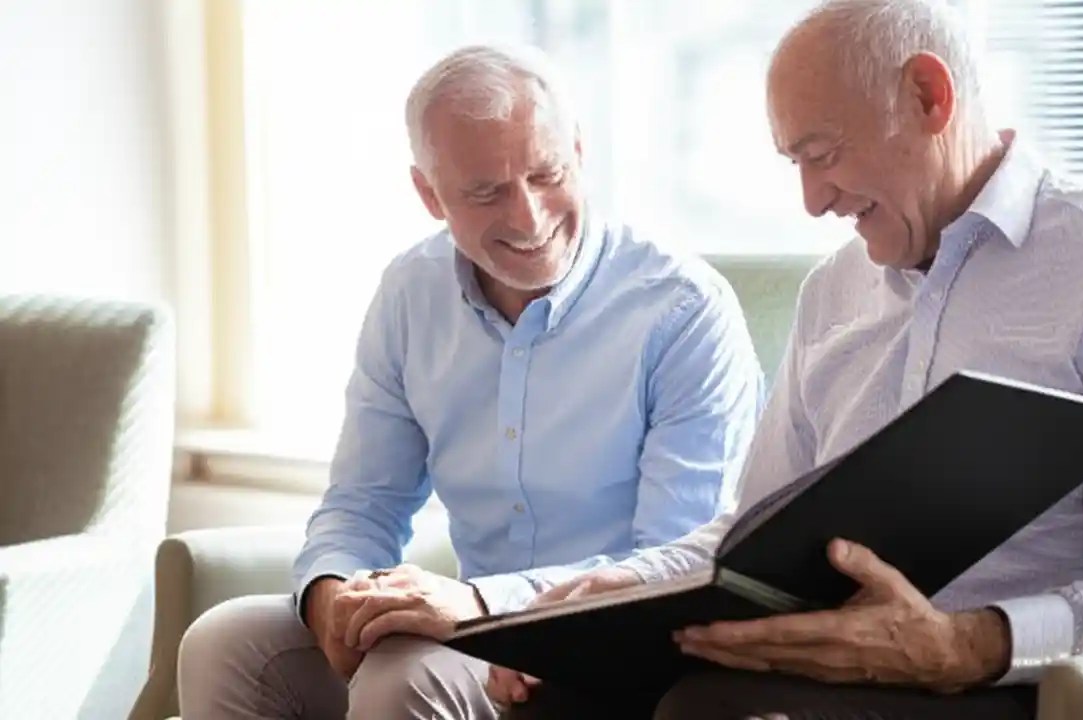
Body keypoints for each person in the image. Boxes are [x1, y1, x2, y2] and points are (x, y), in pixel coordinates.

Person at [488, 1, 1083, 718]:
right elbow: (754, 538)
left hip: (1007, 689)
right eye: (795, 164)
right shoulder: (835, 291)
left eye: (823, 155)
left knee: (707, 710)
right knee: (562, 700)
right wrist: (626, 588)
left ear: (927, 95)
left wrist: (962, 644)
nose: (814, 201)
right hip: (815, 669)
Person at [175, 44, 764, 719]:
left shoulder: (683, 309)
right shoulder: (409, 293)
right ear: (429, 194)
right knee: (222, 641)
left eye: (546, 174)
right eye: (486, 192)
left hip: (607, 647)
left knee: (401, 679)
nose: (529, 218)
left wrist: (482, 603)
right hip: (466, 626)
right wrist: (332, 595)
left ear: (579, 149)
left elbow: (671, 566)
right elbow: (363, 502)